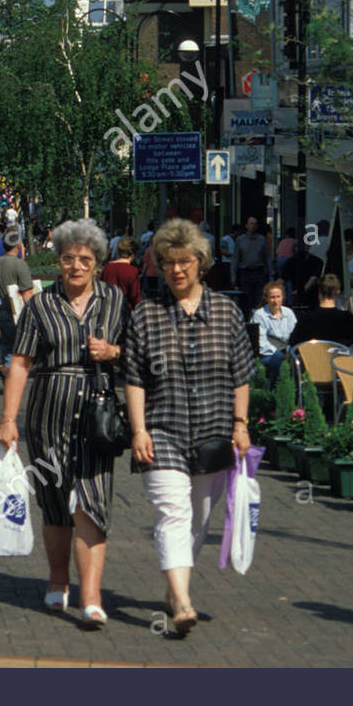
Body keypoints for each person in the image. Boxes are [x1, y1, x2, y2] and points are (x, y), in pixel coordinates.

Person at [124, 218, 254, 636]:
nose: (176, 270)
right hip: (163, 431)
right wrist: (139, 430)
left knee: (199, 519)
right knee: (173, 513)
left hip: (215, 433)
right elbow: (134, 378)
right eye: (167, 263)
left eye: (184, 262)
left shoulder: (228, 312)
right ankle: (181, 601)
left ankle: (174, 582)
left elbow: (242, 374)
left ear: (201, 262)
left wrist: (241, 424)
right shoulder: (146, 315)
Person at [0, 219, 126, 628]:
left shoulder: (115, 300)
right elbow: (20, 363)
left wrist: (112, 351)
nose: (76, 266)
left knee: (91, 502)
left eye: (85, 259)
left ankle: (90, 595)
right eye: (68, 258)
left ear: (97, 263)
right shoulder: (40, 305)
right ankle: (57, 579)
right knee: (54, 501)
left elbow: (135, 351)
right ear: (59, 261)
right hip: (48, 414)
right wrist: (7, 419)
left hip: (97, 416)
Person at [0, 232, 35, 376]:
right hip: (16, 312)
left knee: (4, 347)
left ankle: (6, 371)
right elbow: (27, 293)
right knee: (18, 349)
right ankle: (8, 373)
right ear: (19, 245)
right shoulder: (20, 264)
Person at [289, 274, 353, 347]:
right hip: (339, 357)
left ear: (319, 292)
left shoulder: (306, 318)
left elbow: (294, 343)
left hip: (313, 357)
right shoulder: (347, 318)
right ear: (338, 292)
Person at [251, 280, 298, 385]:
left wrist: (289, 353)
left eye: (278, 297)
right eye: (272, 297)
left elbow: (294, 335)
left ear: (283, 297)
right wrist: (280, 354)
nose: (275, 301)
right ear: (266, 298)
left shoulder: (288, 313)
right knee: (279, 363)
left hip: (287, 352)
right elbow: (261, 343)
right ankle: (275, 394)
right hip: (267, 354)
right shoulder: (260, 315)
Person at [233, 216, 272, 313]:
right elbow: (235, 259)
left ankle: (258, 320)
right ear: (246, 226)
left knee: (259, 298)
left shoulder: (262, 240)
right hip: (245, 272)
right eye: (251, 223)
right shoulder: (240, 240)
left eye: (255, 224)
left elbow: (268, 258)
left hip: (259, 272)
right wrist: (233, 275)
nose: (253, 226)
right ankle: (246, 319)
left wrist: (271, 275)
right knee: (246, 298)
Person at [281, 240, 324, 310]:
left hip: (301, 296)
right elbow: (313, 279)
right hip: (309, 297)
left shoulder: (290, 262)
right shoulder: (318, 261)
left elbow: (282, 279)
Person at [101, 236, 141, 310]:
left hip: (108, 307)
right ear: (133, 254)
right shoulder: (132, 270)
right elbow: (134, 295)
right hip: (124, 309)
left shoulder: (107, 268)